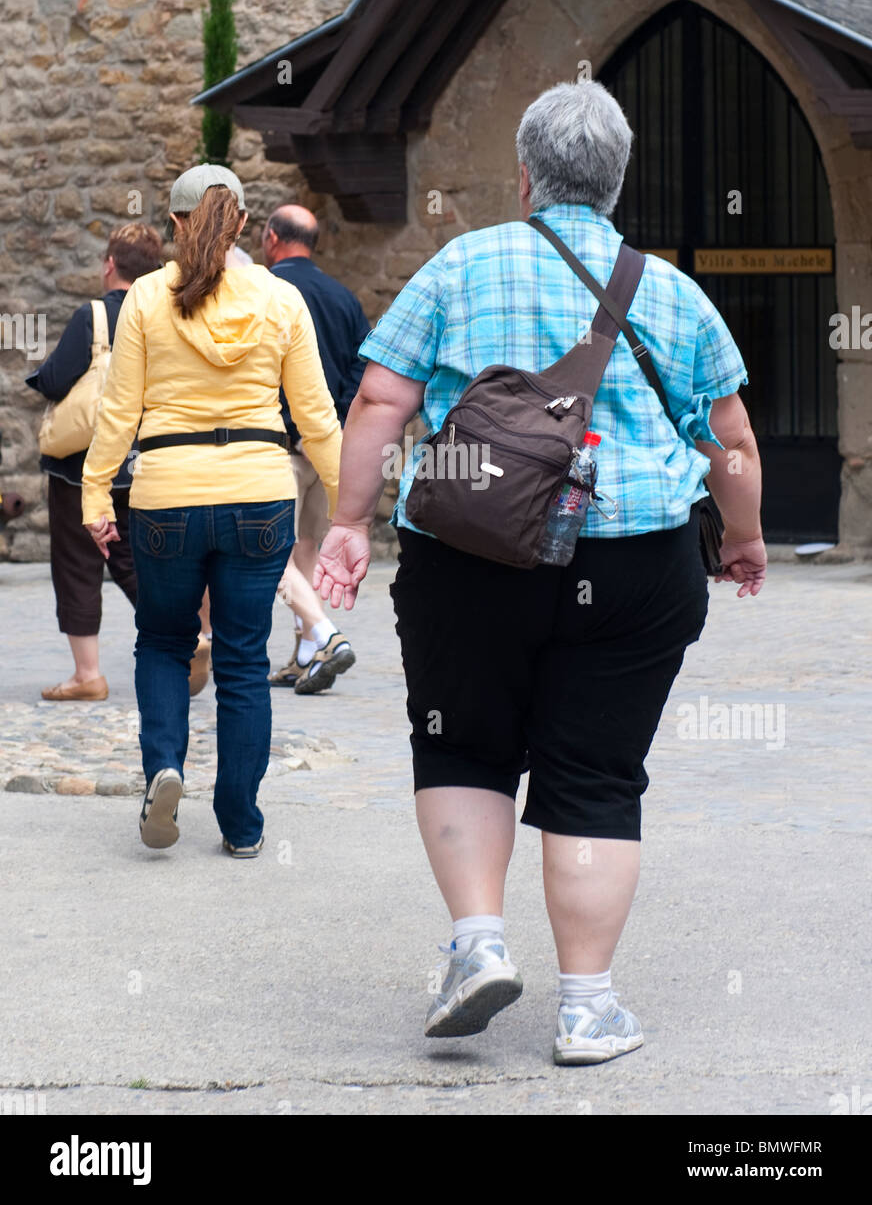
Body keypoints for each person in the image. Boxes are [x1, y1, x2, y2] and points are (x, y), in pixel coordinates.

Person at [316, 81, 767, 1063]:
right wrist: (742, 537)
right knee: (596, 774)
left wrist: (347, 523)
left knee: (461, 745)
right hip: (638, 557)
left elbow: (378, 405)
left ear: (524, 175)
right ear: (614, 180)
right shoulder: (672, 290)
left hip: (467, 555)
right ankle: (585, 1006)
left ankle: (476, 946)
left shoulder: (456, 266)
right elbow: (728, 437)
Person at [82, 164, 342, 856]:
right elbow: (315, 419)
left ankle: (165, 765)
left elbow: (118, 411)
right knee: (243, 661)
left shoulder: (144, 298)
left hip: (167, 492)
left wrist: (94, 491)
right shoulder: (281, 298)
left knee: (165, 642)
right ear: (244, 225)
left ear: (176, 223)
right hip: (259, 491)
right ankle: (241, 822)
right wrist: (346, 512)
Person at [25, 223, 163, 701]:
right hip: (148, 462)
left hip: (85, 468)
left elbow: (58, 379)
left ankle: (88, 675)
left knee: (79, 561)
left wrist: (38, 378)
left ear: (109, 265)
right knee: (133, 559)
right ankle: (187, 644)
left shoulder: (95, 316)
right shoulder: (164, 312)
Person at [262, 204, 370, 694]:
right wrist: (334, 424)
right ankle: (306, 654)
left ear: (270, 239)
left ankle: (325, 635)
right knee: (305, 549)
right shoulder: (344, 298)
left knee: (270, 552)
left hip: (276, 446)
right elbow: (363, 368)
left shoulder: (267, 294)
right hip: (329, 450)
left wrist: (296, 424)